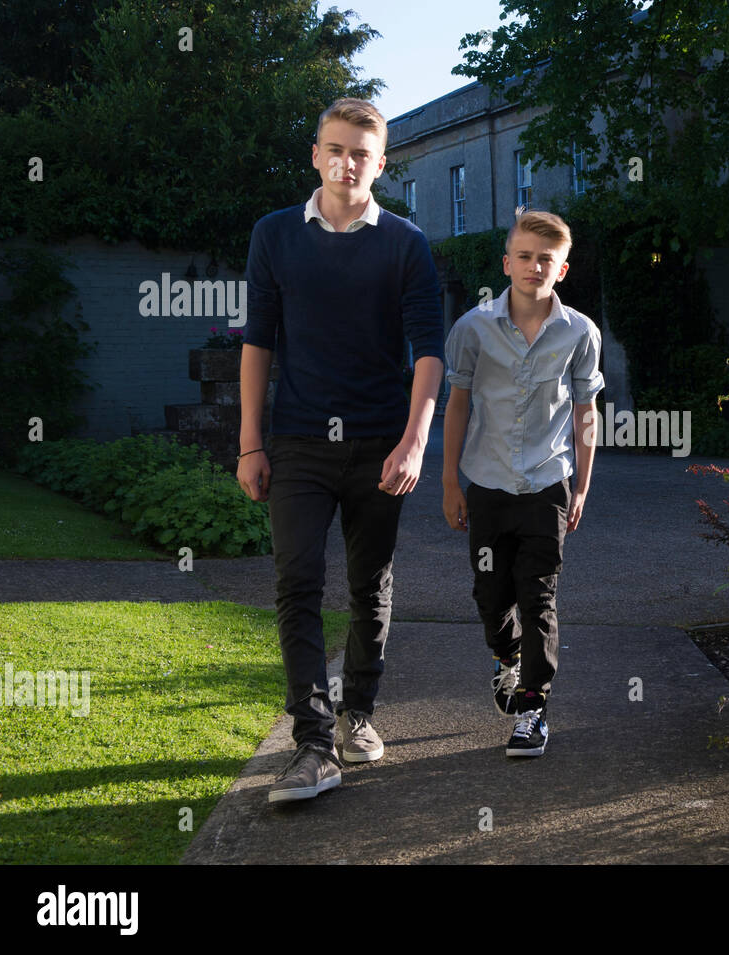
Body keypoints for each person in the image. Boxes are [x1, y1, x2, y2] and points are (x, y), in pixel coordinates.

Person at [236, 97, 444, 803]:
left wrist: (415, 441)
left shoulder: (406, 244)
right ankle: (313, 744)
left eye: (361, 152)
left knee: (368, 586)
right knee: (295, 584)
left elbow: (429, 351)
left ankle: (359, 712)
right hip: (295, 442)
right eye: (335, 148)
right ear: (316, 155)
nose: (346, 162)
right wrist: (249, 444)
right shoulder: (273, 235)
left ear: (381, 164)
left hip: (380, 444)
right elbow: (257, 342)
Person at [442, 209, 602, 757]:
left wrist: (581, 487)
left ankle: (532, 709)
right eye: (526, 256)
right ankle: (505, 659)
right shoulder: (472, 329)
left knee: (539, 596)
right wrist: (449, 482)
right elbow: (457, 404)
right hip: (486, 485)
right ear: (508, 262)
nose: (536, 266)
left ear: (562, 270)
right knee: (491, 594)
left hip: (547, 487)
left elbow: (585, 410)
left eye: (547, 259)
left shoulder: (580, 332)